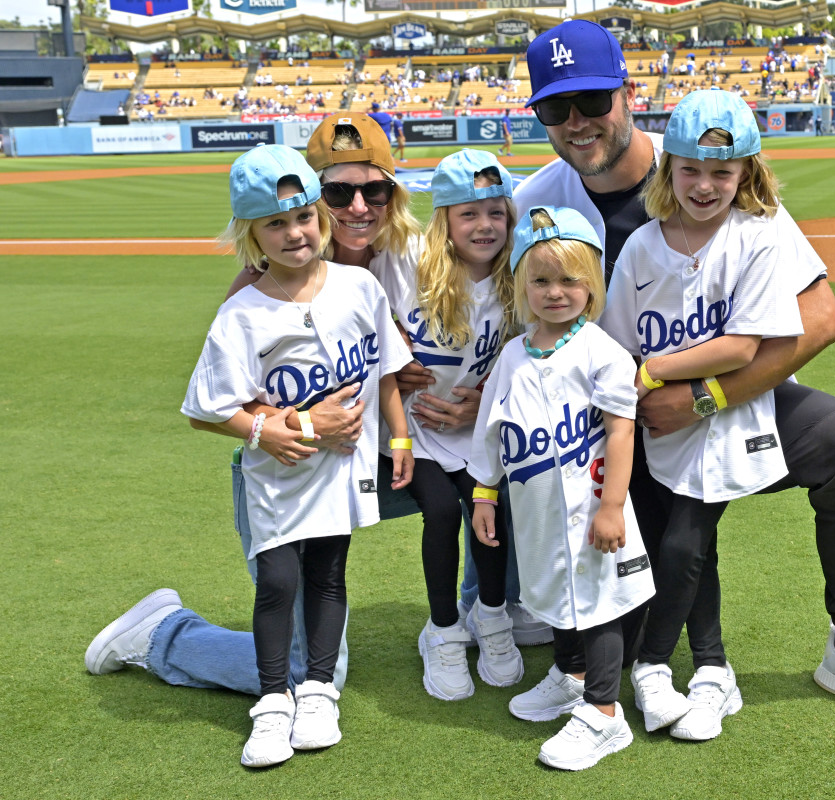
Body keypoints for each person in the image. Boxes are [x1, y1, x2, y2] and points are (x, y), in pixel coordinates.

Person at [506, 18, 835, 737]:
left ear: (627, 93)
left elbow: (819, 317)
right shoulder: (540, 198)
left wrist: (704, 398)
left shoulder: (704, 162)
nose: (577, 123)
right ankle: (565, 640)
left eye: (591, 102)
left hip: (728, 396)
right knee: (650, 541)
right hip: (622, 419)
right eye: (556, 109)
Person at [82, 114, 436, 696]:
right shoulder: (257, 289)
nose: (356, 207)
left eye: (373, 191)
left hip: (377, 456)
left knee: (489, 487)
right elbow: (227, 406)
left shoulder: (410, 257)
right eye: (337, 192)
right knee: (309, 669)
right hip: (292, 464)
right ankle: (162, 634)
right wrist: (301, 420)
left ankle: (483, 617)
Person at [180, 144, 415, 766]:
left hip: (340, 471)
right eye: (274, 224)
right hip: (277, 476)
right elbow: (207, 408)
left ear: (321, 216)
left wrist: (400, 436)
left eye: (303, 217)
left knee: (329, 575)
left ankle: (316, 691)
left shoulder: (360, 285)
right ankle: (273, 700)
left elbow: (387, 369)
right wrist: (268, 432)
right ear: (250, 233)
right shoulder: (242, 313)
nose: (294, 233)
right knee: (278, 584)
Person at [600, 90, 802, 741]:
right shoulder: (640, 247)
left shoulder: (757, 235)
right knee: (679, 542)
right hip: (655, 425)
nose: (705, 185)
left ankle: (653, 667)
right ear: (669, 170)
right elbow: (619, 339)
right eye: (689, 168)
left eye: (722, 171)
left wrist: (655, 372)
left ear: (747, 171)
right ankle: (711, 665)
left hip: (727, 418)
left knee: (686, 538)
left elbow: (742, 345)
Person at [469, 206, 653, 771]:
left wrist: (613, 507)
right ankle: (571, 678)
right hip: (539, 511)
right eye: (541, 279)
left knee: (598, 606)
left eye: (570, 279)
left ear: (593, 283)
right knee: (555, 598)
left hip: (596, 509)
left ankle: (603, 714)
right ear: (521, 285)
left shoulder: (601, 350)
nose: (555, 292)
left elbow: (621, 431)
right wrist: (483, 493)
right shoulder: (514, 356)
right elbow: (489, 431)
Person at [395, 149, 524, 700]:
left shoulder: (516, 277)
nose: (485, 225)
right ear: (443, 219)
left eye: (496, 212)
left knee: (490, 508)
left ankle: (491, 615)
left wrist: (486, 399)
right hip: (416, 428)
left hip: (475, 431)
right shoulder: (408, 265)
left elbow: (520, 353)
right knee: (444, 510)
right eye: (468, 213)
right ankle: (443, 628)